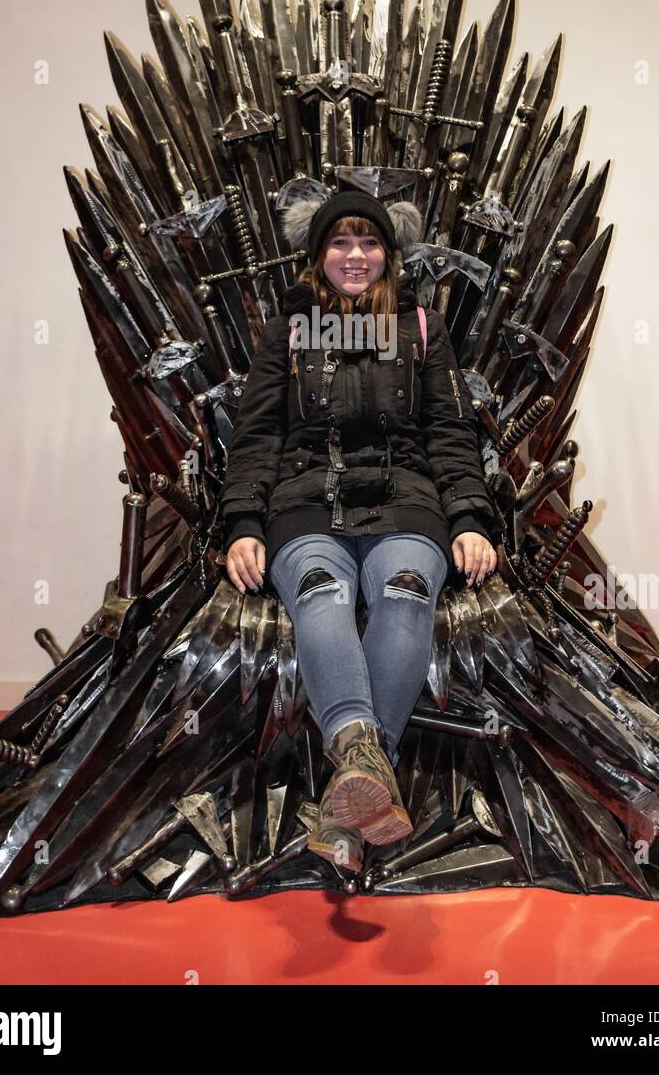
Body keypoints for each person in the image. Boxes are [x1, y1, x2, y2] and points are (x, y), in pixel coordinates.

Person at [219, 189, 505, 873]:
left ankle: (348, 794)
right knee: (319, 593)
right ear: (319, 255)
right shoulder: (287, 331)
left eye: (369, 242)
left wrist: (467, 516)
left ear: (389, 252)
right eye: (341, 243)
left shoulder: (421, 327)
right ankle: (365, 779)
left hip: (406, 505)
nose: (356, 255)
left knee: (405, 593)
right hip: (305, 505)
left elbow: (449, 432)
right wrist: (242, 523)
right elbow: (257, 435)